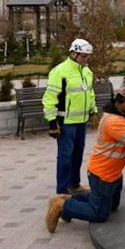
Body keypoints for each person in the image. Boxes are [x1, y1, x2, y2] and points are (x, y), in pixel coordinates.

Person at [45, 85, 125, 232]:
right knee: (99, 214)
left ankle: (67, 199)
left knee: (112, 206)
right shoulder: (113, 121)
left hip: (113, 175)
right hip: (102, 176)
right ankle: (61, 205)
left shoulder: (120, 110)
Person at [42, 39, 98, 196]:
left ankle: (74, 185)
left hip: (81, 123)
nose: (86, 59)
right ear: (73, 53)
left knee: (78, 155)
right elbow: (49, 98)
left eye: (88, 56)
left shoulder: (87, 71)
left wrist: (93, 111)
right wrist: (52, 123)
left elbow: (90, 93)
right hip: (66, 123)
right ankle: (62, 192)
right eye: (83, 56)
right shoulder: (59, 71)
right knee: (65, 158)